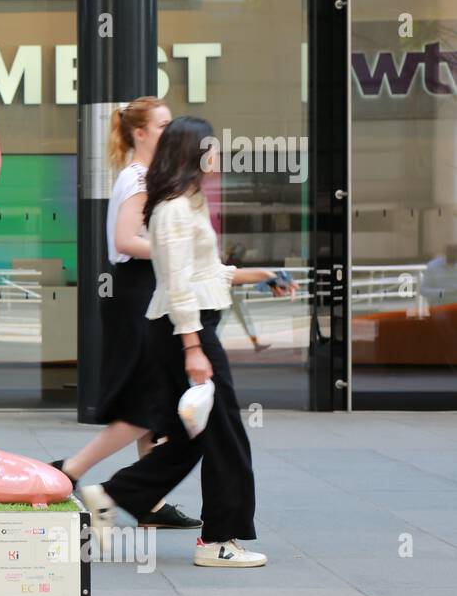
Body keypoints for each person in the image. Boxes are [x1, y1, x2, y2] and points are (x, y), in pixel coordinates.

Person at [78, 117, 296, 568]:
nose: (219, 153)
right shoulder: (174, 208)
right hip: (184, 332)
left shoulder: (190, 203)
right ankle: (219, 541)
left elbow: (204, 272)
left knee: (190, 438)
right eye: (212, 146)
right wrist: (194, 349)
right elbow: (177, 284)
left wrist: (262, 276)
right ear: (194, 152)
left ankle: (111, 493)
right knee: (228, 438)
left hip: (187, 329)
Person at [50, 96, 200, 530]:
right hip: (138, 292)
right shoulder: (138, 179)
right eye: (163, 125)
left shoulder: (146, 176)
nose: (171, 132)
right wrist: (176, 250)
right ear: (140, 132)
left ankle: (146, 499)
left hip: (143, 291)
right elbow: (123, 241)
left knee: (148, 399)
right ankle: (71, 470)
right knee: (148, 404)